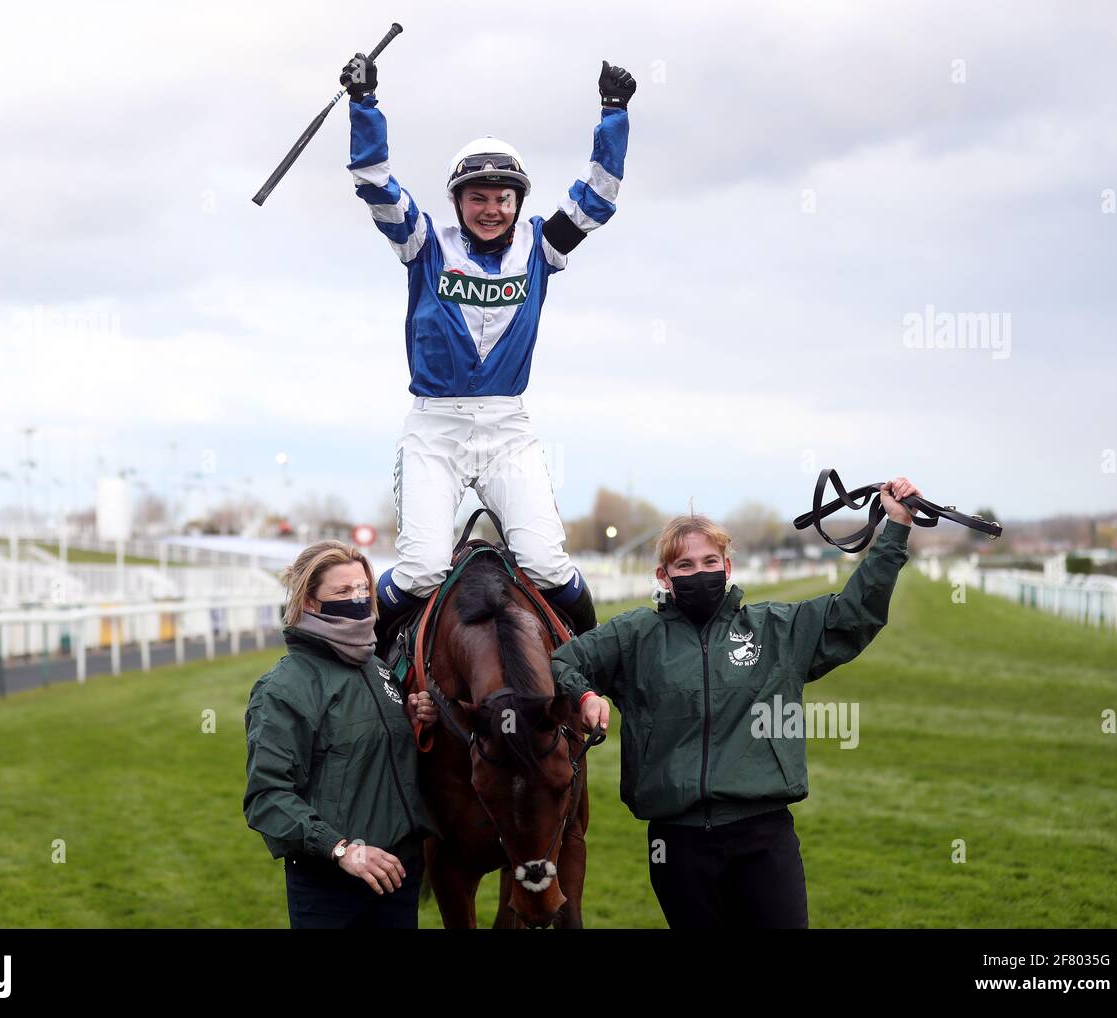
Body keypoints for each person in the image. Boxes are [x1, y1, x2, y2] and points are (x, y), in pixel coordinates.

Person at [339, 50, 637, 653]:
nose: (492, 207)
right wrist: (364, 104)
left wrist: (613, 115)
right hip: (435, 429)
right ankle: (364, 665)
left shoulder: (541, 247)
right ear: (457, 202)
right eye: (478, 197)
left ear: (518, 202)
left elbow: (599, 197)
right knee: (421, 567)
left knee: (549, 564)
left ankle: (593, 665)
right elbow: (374, 183)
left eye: (503, 197)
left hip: (508, 429)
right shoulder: (422, 242)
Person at [550, 479, 921, 928]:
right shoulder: (633, 637)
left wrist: (896, 529)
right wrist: (584, 694)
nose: (699, 571)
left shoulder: (775, 629)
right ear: (663, 577)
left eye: (709, 561)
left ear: (727, 567)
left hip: (764, 836)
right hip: (676, 843)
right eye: (683, 564)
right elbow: (559, 662)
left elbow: (854, 615)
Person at [243, 539, 438, 928]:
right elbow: (268, 796)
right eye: (344, 591)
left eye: (364, 588)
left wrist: (417, 718)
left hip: (396, 877)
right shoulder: (284, 688)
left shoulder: (377, 669)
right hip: (330, 886)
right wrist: (340, 849)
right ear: (311, 603)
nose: (359, 599)